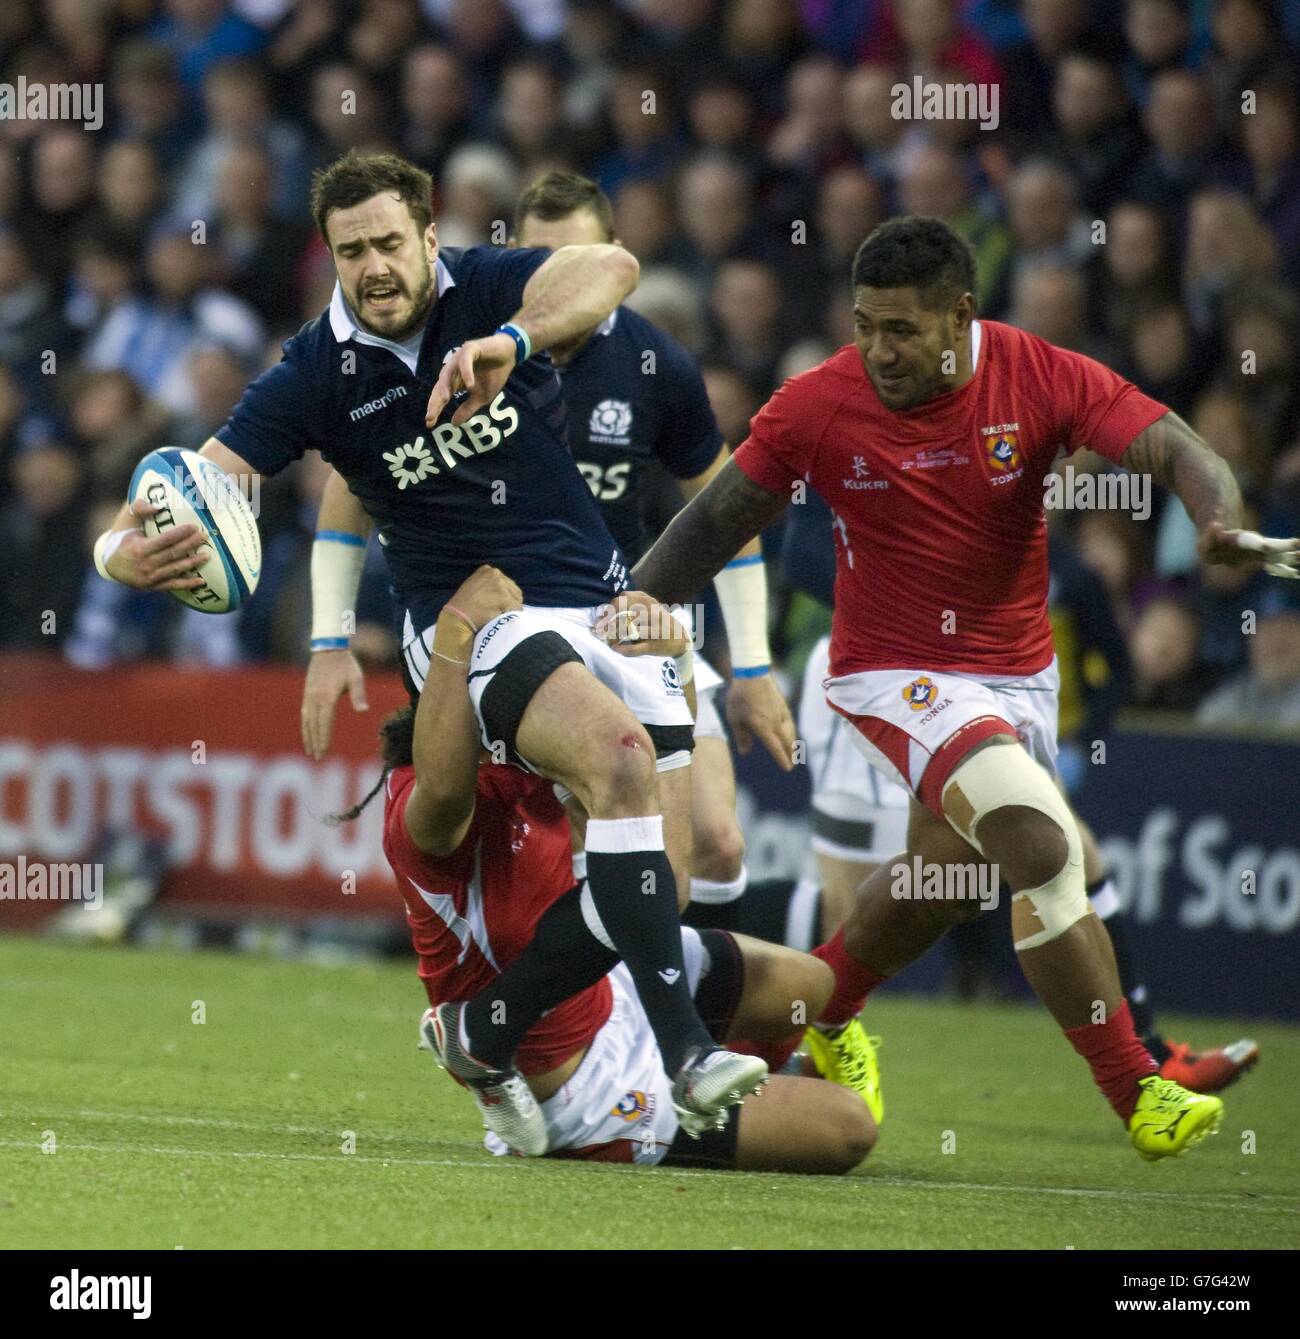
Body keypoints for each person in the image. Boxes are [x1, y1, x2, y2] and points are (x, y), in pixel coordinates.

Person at [90, 150, 792, 1138]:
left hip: (606, 612)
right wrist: (118, 553)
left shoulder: (487, 285)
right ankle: (685, 1050)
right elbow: (183, 488)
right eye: (349, 251)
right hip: (473, 624)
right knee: (622, 759)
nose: (373, 266)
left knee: (658, 869)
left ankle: (486, 1026)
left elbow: (614, 270)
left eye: (388, 242)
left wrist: (511, 337)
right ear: (330, 258)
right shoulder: (313, 374)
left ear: (427, 237)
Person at [631, 215, 1299, 1160]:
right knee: (1040, 841)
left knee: (949, 882)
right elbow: (714, 519)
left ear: (961, 316)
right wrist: (623, 611)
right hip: (891, 671)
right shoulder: (819, 402)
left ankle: (822, 1010)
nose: (877, 350)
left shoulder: (1039, 374)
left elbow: (1174, 444)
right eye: (864, 325)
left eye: (900, 329)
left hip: (1015, 672)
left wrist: (1219, 515)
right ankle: (1138, 1088)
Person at [301, 169, 788, 923]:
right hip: (497, 627)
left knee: (716, 843)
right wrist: (329, 635)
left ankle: (675, 1014)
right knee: (552, 831)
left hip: (629, 622)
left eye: (568, 263)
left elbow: (727, 511)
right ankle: (576, 1012)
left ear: (606, 262)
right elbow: (347, 500)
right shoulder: (453, 351)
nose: (547, 288)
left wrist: (751, 664)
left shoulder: (655, 368)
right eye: (535, 262)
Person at [347, 561, 874, 1170]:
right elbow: (443, 787)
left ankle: (718, 1074)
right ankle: (676, 1087)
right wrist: (457, 630)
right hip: (579, 1082)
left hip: (612, 987)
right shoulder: (426, 814)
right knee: (850, 1129)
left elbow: (669, 870)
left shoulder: (547, 760)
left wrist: (671, 664)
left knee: (812, 986)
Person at [777, 491, 1258, 1092]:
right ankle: (795, 1045)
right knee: (860, 900)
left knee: (1065, 850)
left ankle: (1149, 1055)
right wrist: (908, 608)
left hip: (972, 686)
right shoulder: (840, 412)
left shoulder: (977, 433)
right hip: (873, 676)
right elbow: (799, 552)